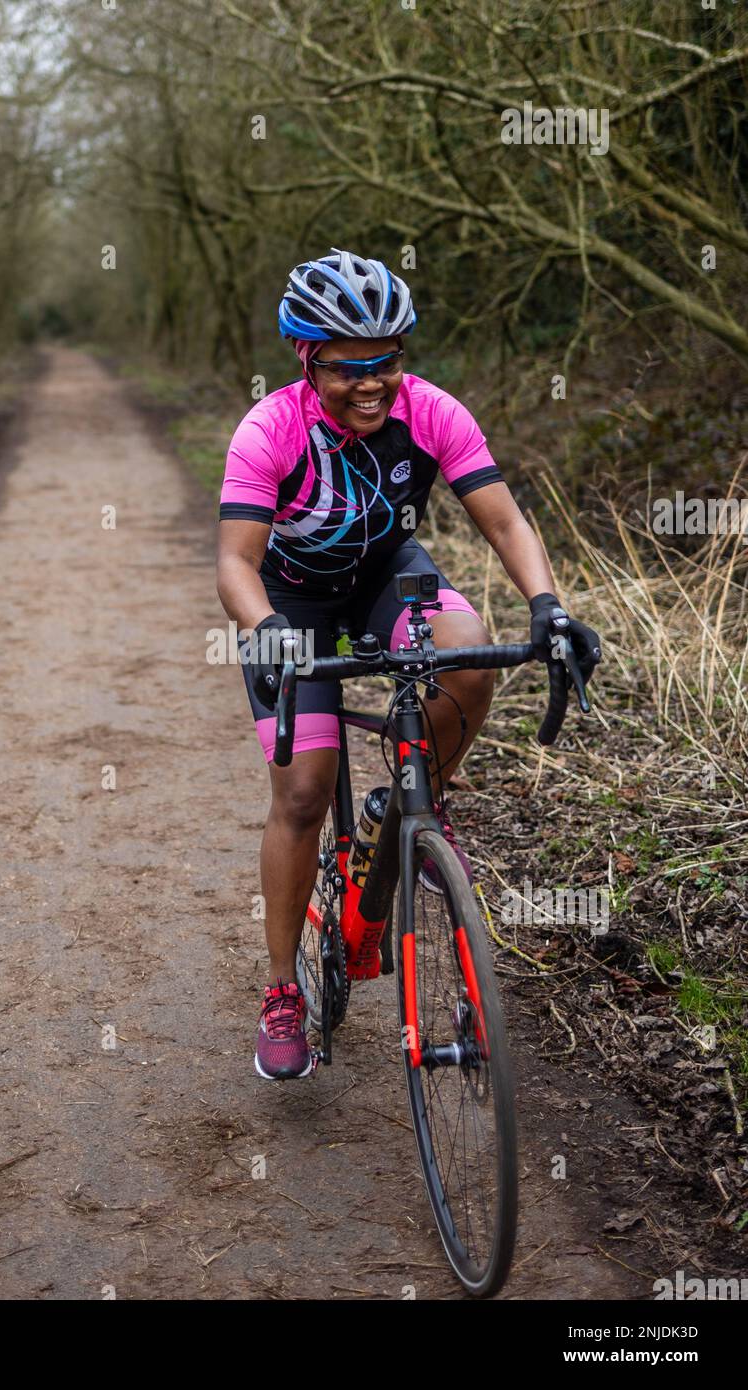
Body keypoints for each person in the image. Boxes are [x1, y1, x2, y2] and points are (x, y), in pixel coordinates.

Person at [215, 248, 601, 1081]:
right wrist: (268, 628)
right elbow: (234, 565)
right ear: (305, 360)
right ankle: (282, 987)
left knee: (467, 653)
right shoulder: (270, 429)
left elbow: (503, 522)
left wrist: (549, 609)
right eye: (347, 368)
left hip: (390, 576)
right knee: (304, 791)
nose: (370, 383)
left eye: (386, 362)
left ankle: (410, 793)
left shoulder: (430, 411)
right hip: (295, 605)